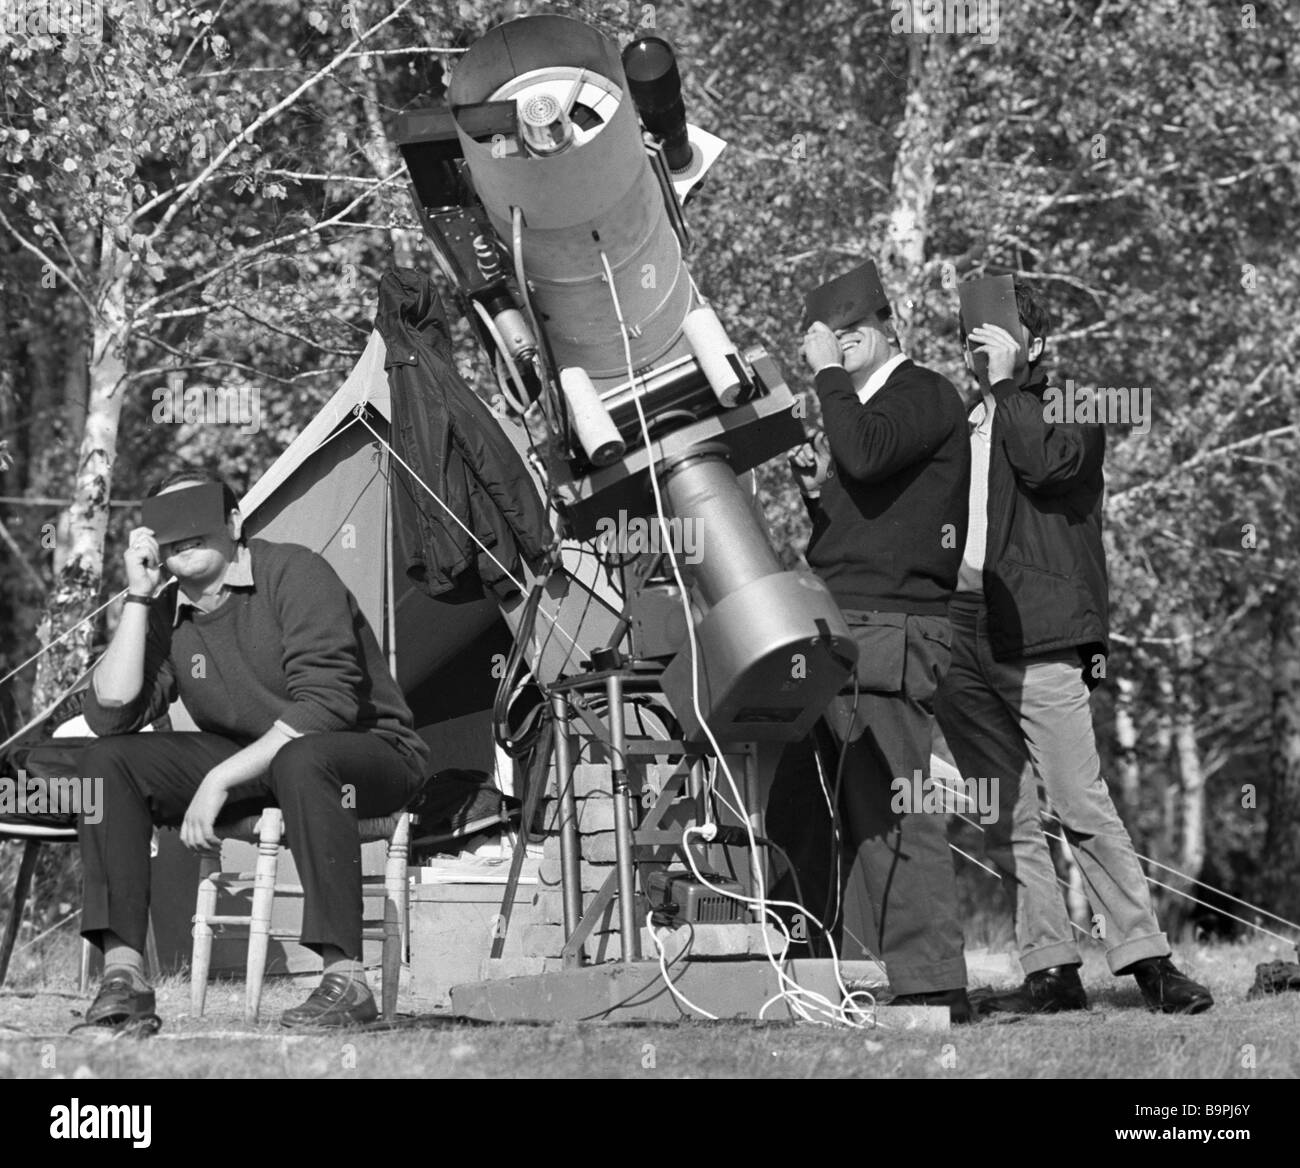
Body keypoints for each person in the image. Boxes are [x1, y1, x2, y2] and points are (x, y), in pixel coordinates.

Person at [935, 277, 1213, 1015]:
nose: (978, 354)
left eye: (993, 340)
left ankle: (1151, 962)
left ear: (1039, 345)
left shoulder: (1074, 405)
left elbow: (1047, 466)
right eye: (972, 343)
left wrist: (1007, 388)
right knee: (1006, 811)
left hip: (1040, 629)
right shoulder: (962, 421)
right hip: (960, 629)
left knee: (1079, 800)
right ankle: (1051, 971)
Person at [78, 469, 430, 1029]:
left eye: (197, 516)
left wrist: (218, 780)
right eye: (167, 525)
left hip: (368, 751)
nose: (183, 536)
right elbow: (110, 714)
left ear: (234, 522)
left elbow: (327, 706)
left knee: (305, 756)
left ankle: (347, 983)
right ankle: (125, 979)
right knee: (106, 763)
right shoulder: (169, 612)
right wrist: (139, 599)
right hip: (257, 759)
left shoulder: (294, 571)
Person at [769, 260, 974, 1021]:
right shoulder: (867, 412)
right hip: (838, 621)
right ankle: (814, 971)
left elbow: (869, 452)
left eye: (835, 342)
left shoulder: (925, 393)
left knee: (892, 808)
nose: (828, 357)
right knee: (806, 806)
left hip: (890, 628)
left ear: (867, 332)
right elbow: (863, 497)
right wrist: (820, 490)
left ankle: (933, 984)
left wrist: (828, 384)